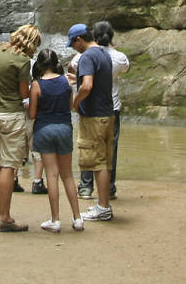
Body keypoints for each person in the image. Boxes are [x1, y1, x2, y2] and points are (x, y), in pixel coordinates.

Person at [0, 24, 39, 231]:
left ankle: (2, 212)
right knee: (8, 166)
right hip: (10, 115)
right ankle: (4, 217)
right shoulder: (23, 61)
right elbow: (24, 93)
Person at [27, 46, 82, 232]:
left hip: (44, 130)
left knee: (51, 174)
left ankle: (56, 219)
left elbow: (32, 114)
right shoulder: (66, 81)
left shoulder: (37, 85)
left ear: (40, 65)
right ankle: (77, 218)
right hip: (64, 128)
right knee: (68, 175)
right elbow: (70, 106)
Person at [75, 21, 130, 200]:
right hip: (111, 107)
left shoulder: (85, 56)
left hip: (91, 109)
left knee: (87, 148)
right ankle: (109, 189)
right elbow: (126, 68)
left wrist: (74, 103)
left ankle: (85, 187)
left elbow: (74, 68)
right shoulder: (117, 57)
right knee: (109, 151)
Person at [69, 22, 115, 222]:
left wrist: (75, 102)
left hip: (94, 116)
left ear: (79, 40)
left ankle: (103, 207)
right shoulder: (104, 53)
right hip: (107, 114)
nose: (72, 48)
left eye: (72, 44)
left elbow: (87, 86)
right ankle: (103, 204)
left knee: (97, 163)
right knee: (104, 161)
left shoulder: (86, 56)